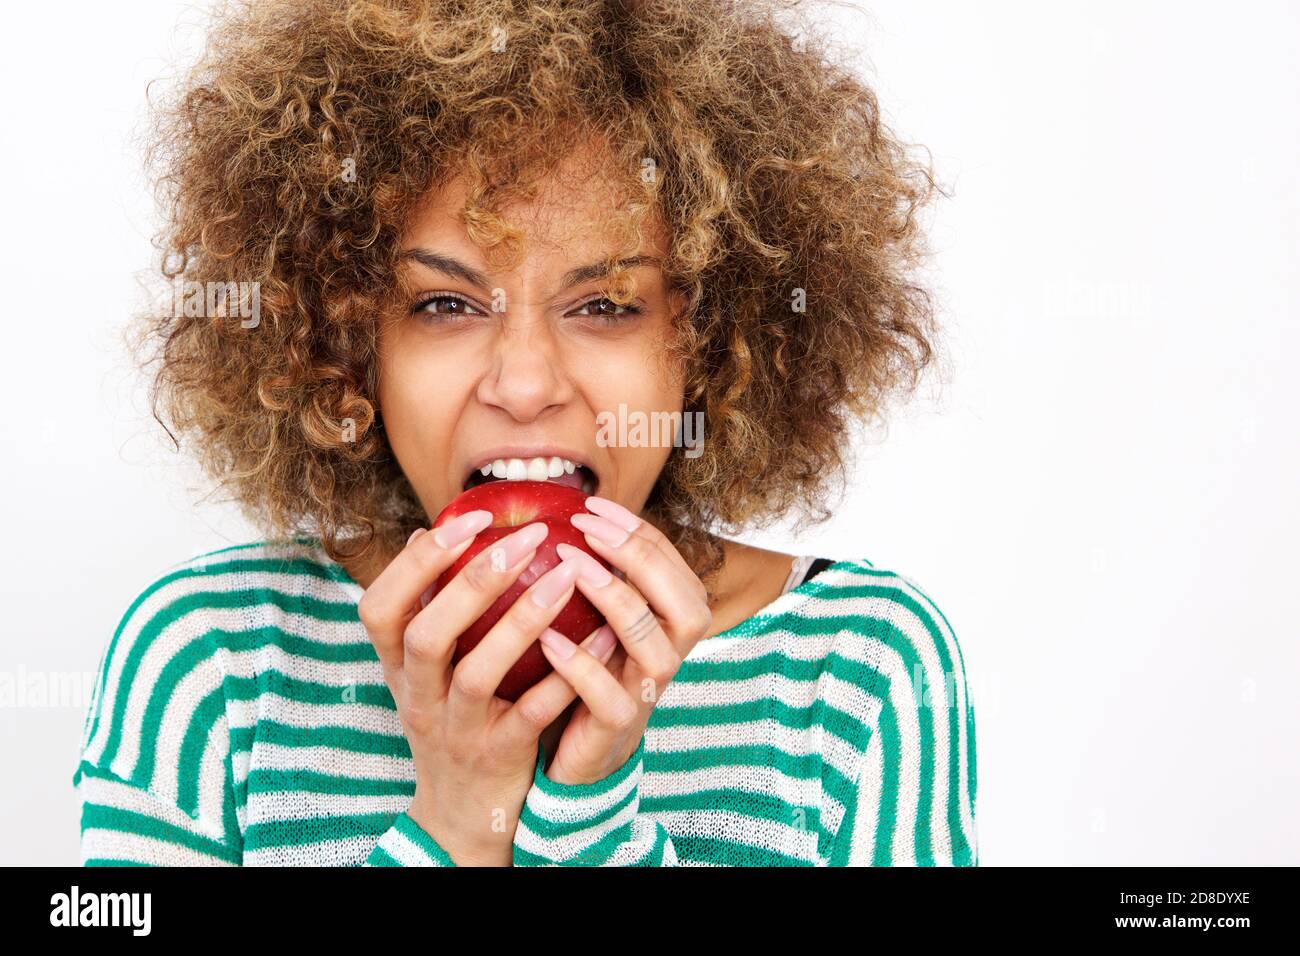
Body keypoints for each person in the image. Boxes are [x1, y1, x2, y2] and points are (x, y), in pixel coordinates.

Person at [75, 0, 977, 866]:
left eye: (605, 304)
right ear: (349, 347)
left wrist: (590, 824)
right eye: (443, 303)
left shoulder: (856, 673)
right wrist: (457, 828)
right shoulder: (212, 665)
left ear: (705, 343)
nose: (524, 382)